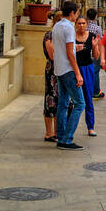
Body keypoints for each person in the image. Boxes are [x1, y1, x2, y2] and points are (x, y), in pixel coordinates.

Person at [53, 0, 84, 149]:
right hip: (68, 70)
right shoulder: (69, 28)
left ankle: (60, 135)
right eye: (77, 13)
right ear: (72, 13)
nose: (77, 16)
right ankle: (67, 138)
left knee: (63, 103)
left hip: (59, 68)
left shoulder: (56, 26)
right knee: (80, 103)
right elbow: (70, 54)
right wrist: (78, 74)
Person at [74, 14, 102, 137]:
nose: (81, 26)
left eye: (83, 23)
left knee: (88, 99)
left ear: (87, 24)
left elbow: (96, 57)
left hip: (87, 69)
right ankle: (70, 126)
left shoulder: (91, 37)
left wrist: (95, 46)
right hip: (74, 69)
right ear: (75, 24)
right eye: (79, 23)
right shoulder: (71, 37)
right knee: (72, 100)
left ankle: (90, 127)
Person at [42, 10, 62, 142]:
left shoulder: (58, 35)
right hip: (53, 71)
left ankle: (56, 131)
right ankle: (49, 133)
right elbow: (52, 55)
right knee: (50, 100)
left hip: (60, 70)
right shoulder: (49, 36)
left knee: (59, 100)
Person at [86, 7, 104, 99]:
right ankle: (96, 91)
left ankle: (85, 91)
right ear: (95, 17)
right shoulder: (97, 28)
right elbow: (100, 41)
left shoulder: (84, 26)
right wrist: (100, 54)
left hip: (84, 52)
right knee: (95, 72)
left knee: (85, 72)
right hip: (94, 52)